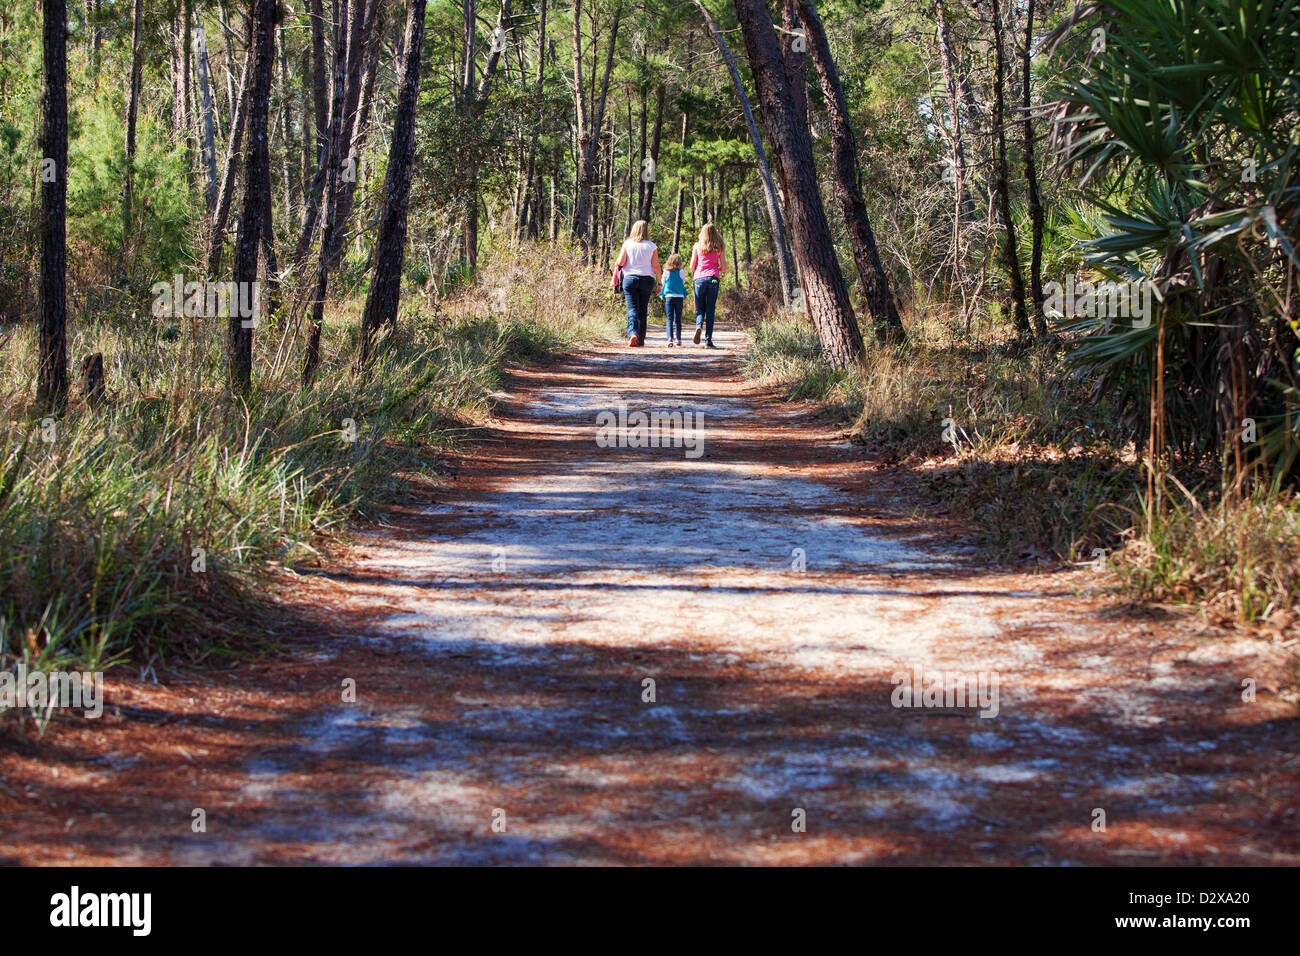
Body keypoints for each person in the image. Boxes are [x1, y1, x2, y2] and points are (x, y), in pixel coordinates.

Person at [613, 220, 661, 347]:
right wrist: (660, 283)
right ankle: (641, 339)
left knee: (632, 308)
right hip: (647, 279)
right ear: (646, 230)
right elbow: (656, 265)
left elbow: (621, 262)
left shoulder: (628, 244)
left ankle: (633, 333)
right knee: (643, 310)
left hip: (630, 279)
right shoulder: (651, 246)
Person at [689, 223, 726, 348]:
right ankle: (708, 340)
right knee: (710, 309)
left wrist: (701, 269)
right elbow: (724, 267)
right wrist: (715, 269)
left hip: (699, 279)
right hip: (713, 279)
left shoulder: (697, 246)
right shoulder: (719, 247)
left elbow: (692, 266)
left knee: (700, 308)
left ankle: (699, 326)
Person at [659, 253, 686, 347]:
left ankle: (670, 338)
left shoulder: (666, 272)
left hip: (669, 297)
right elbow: (683, 282)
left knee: (669, 318)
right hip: (679, 297)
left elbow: (663, 282)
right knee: (678, 319)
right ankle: (678, 339)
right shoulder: (682, 272)